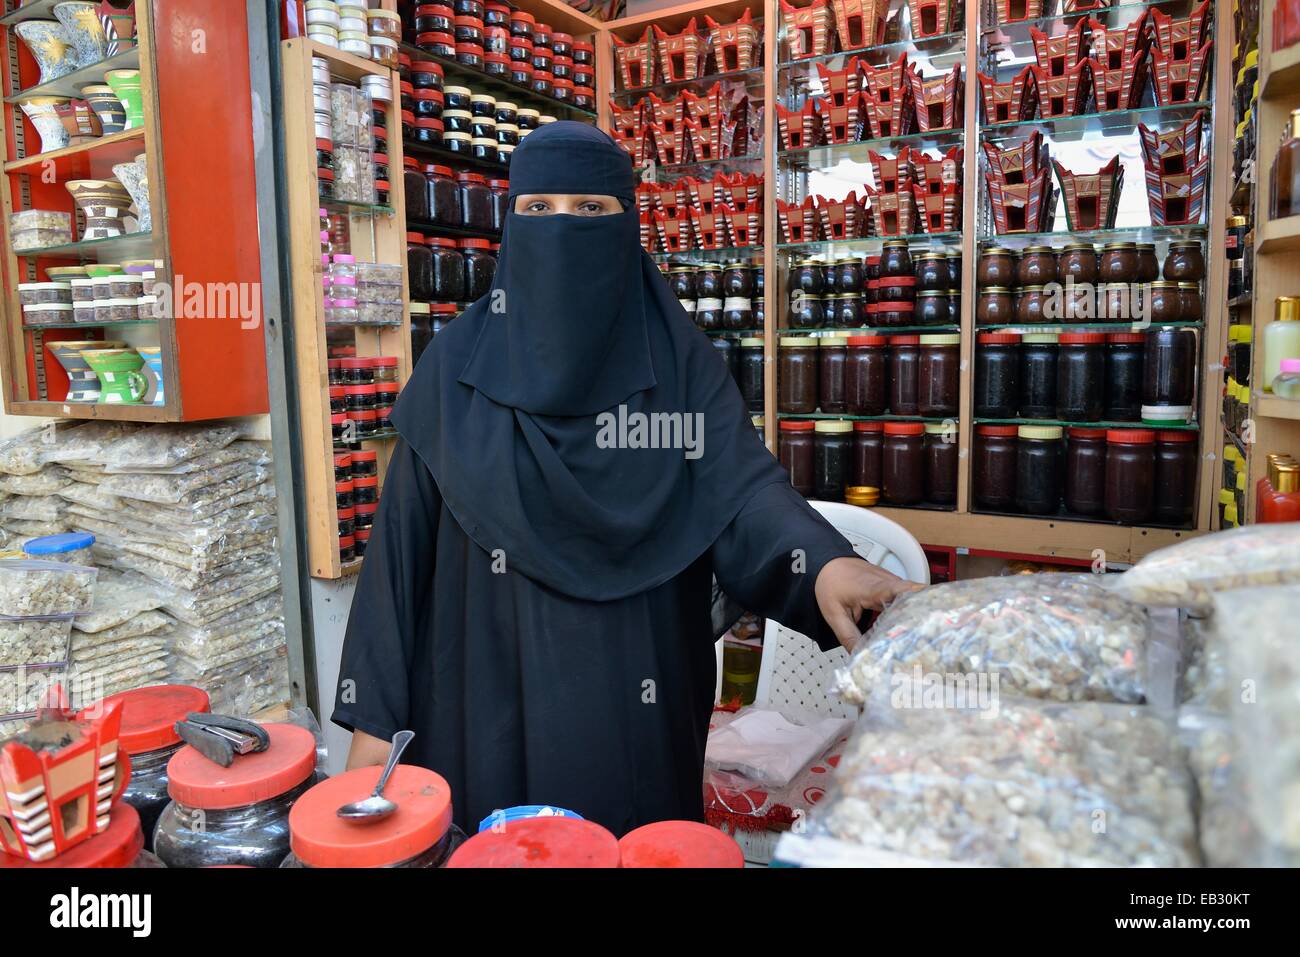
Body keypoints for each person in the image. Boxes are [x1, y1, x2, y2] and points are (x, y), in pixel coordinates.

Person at [332, 121, 920, 836]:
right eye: (539, 209)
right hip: (481, 715)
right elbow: (396, 569)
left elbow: (743, 492)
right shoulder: (453, 375)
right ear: (511, 226)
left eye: (590, 210)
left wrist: (827, 565)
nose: (562, 229)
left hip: (633, 716)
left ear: (627, 225)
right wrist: (372, 732)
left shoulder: (676, 367)